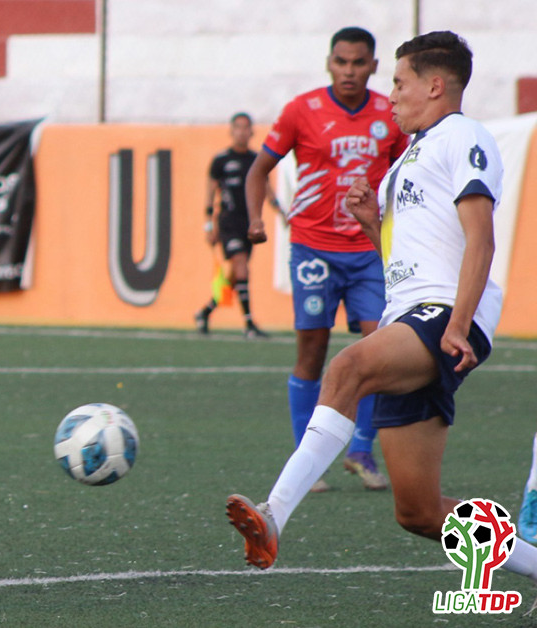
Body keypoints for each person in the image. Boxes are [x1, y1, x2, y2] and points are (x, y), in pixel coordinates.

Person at [225, 32, 537, 586]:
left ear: (435, 85)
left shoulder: (464, 135)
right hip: (413, 316)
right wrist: (374, 225)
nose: (388, 95)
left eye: (398, 82)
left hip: (445, 317)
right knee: (417, 513)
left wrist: (460, 324)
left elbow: (481, 239)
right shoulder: (406, 160)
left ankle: (273, 515)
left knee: (346, 367)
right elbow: (404, 261)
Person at [245, 27, 410, 492]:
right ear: (329, 63)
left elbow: (406, 175)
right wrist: (255, 218)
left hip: (369, 248)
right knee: (312, 350)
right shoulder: (302, 110)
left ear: (374, 66)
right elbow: (260, 169)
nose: (349, 71)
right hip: (314, 246)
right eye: (341, 62)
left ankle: (361, 452)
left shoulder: (389, 113)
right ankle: (307, 457)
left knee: (380, 349)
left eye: (359, 63)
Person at [194, 112, 271, 339]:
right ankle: (248, 323)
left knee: (237, 274)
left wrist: (279, 208)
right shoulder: (221, 160)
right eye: (238, 127)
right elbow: (210, 193)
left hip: (248, 223)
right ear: (231, 130)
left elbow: (265, 185)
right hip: (227, 222)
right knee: (240, 265)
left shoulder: (256, 160)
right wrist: (208, 225)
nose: (242, 132)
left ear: (252, 132)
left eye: (246, 128)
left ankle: (205, 312)